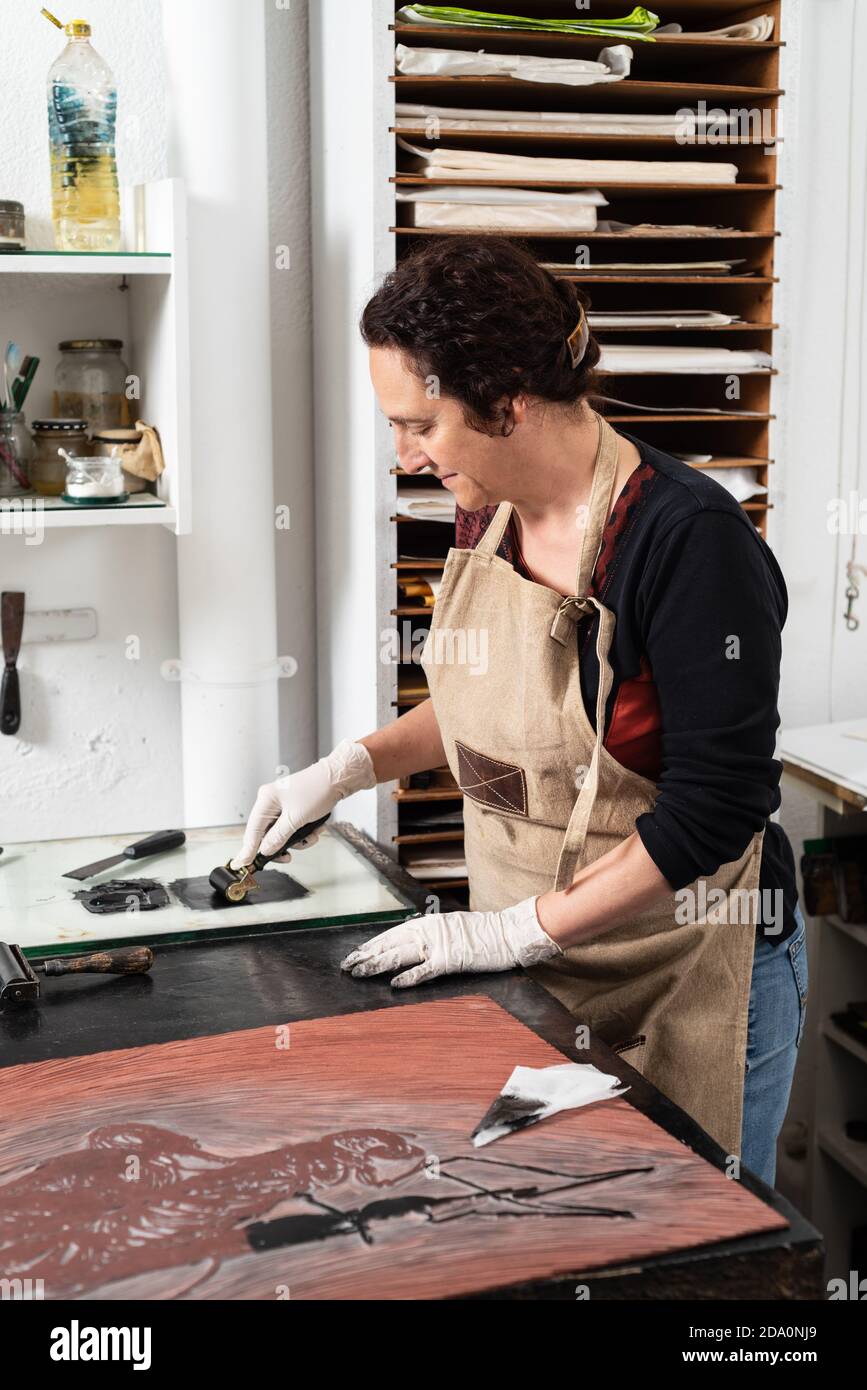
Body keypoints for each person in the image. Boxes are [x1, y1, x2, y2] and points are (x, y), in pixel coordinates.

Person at [233, 237, 807, 1187]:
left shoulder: (686, 542)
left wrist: (510, 931)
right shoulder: (485, 506)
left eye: (420, 423)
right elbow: (480, 702)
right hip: (552, 965)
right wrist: (348, 768)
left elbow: (718, 808)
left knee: (692, 1251)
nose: (406, 455)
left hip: (687, 968)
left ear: (507, 398)